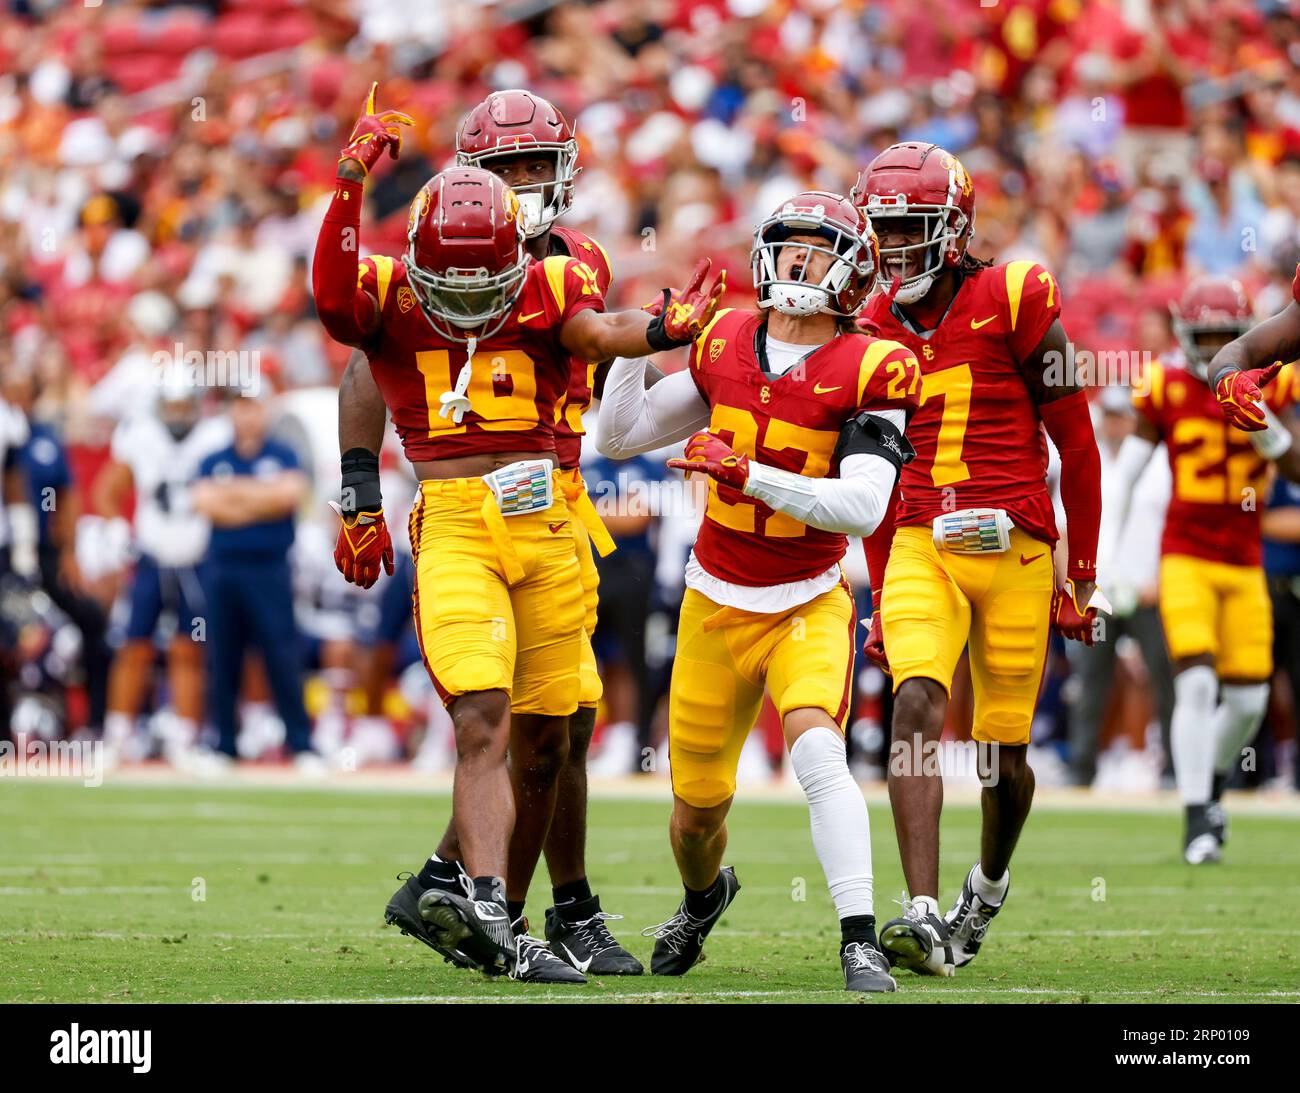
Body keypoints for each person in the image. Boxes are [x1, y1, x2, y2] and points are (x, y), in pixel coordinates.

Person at [312, 85, 723, 982]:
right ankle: (525, 906)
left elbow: (597, 333)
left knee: (561, 721)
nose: (527, 184)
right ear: (471, 177)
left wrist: (657, 332)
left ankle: (477, 888)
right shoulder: (423, 257)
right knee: (511, 716)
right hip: (465, 503)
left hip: (554, 495)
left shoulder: (569, 266)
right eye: (510, 168)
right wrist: (356, 493)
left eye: (541, 167)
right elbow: (360, 357)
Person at [598, 190, 920, 993]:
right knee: (696, 813)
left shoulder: (873, 363)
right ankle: (704, 899)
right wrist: (646, 338)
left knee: (817, 747)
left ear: (852, 268)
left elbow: (862, 506)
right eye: (790, 245)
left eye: (818, 247)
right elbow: (618, 433)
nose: (800, 260)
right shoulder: (726, 339)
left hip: (808, 597)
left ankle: (858, 937)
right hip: (715, 600)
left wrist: (748, 473)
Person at [855, 142, 1102, 975]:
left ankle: (986, 886)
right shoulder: (872, 323)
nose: (894, 249)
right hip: (923, 536)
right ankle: (920, 911)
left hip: (1020, 544)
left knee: (1004, 753)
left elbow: (1078, 438)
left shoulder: (1018, 296)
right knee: (917, 698)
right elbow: (873, 479)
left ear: (954, 228)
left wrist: (1086, 572)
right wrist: (884, 589)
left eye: (911, 228)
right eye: (883, 230)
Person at [1109, 277, 1300, 863]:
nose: (1214, 343)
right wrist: (1109, 563)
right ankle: (1197, 818)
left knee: (1248, 701)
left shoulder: (1277, 380)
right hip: (1185, 554)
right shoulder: (1162, 385)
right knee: (1194, 683)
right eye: (1205, 335)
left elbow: (1295, 467)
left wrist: (1267, 428)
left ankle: (1209, 784)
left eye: (1225, 335)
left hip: (1245, 560)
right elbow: (1128, 475)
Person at [94, 375, 229, 764]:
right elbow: (107, 490)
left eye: (185, 406)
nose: (178, 415)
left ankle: (184, 740)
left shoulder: (215, 437)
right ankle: (117, 737)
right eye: (171, 407)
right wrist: (117, 527)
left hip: (197, 560)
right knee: (133, 646)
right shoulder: (141, 435)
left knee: (188, 650)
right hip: (152, 559)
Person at [190, 388, 316, 770]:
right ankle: (224, 744)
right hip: (224, 567)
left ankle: (301, 744)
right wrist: (260, 498)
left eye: (253, 407)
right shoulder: (213, 458)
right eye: (240, 407)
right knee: (223, 655)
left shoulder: (284, 453)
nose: (247, 415)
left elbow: (289, 496)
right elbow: (206, 504)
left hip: (269, 567)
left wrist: (235, 497)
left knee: (281, 653)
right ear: (230, 412)